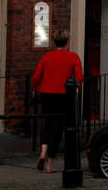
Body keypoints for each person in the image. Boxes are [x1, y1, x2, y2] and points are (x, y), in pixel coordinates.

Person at [31, 29, 83, 173]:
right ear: (67, 42)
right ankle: (49, 164)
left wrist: (36, 88)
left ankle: (42, 152)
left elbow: (36, 77)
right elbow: (79, 78)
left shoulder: (47, 57)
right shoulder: (73, 57)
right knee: (57, 128)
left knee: (47, 125)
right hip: (63, 95)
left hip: (46, 94)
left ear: (55, 42)